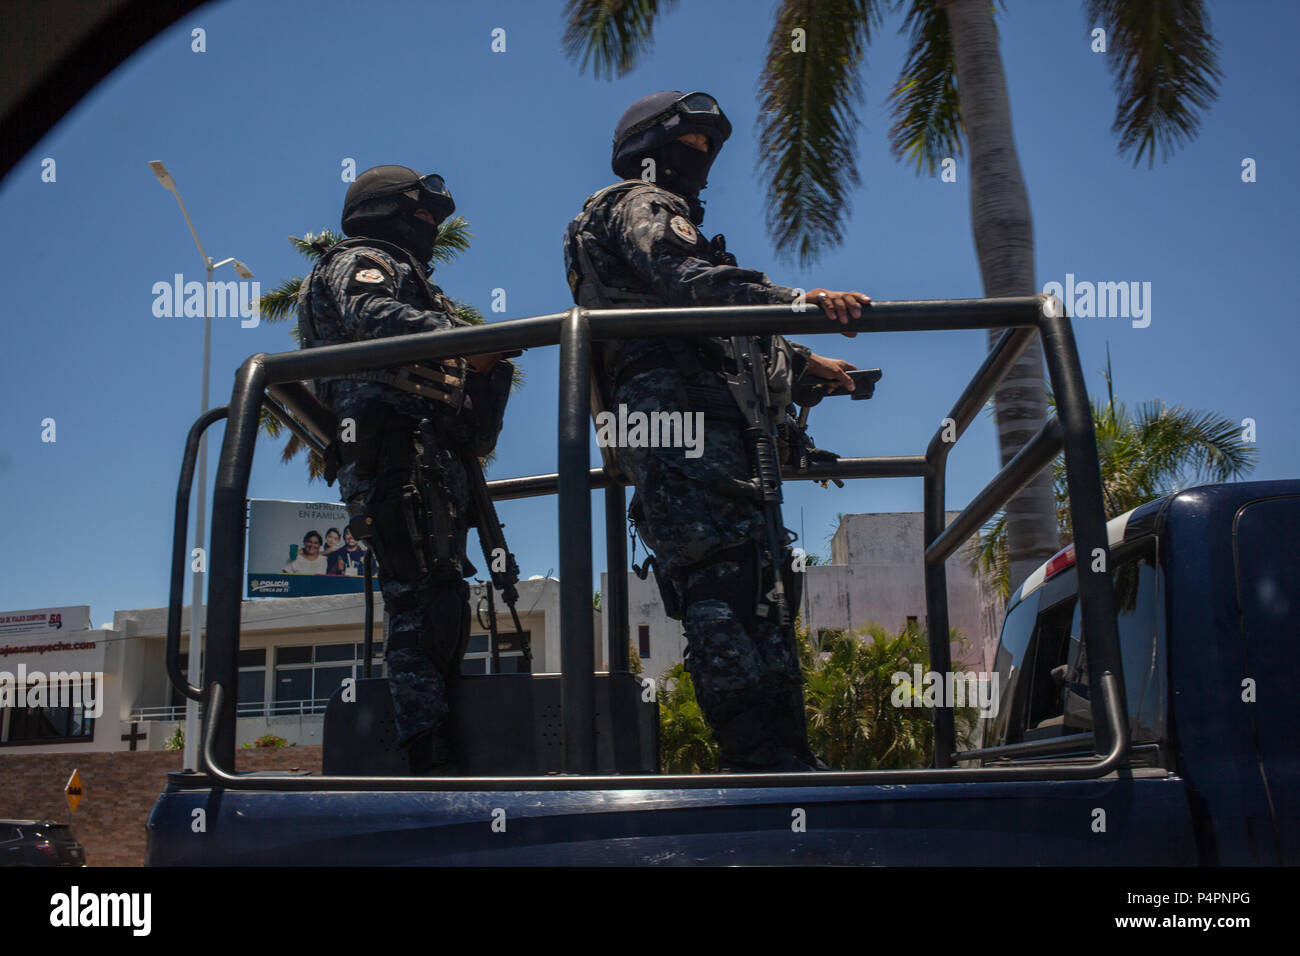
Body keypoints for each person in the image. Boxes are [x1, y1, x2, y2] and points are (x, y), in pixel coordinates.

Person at [564, 90, 869, 771]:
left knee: (760, 586)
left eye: (710, 148)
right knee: (721, 589)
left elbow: (706, 322)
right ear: (649, 150)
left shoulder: (653, 211)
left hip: (709, 421)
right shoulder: (638, 203)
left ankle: (786, 759)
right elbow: (693, 285)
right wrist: (799, 300)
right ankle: (755, 761)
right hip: (677, 423)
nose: (701, 159)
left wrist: (801, 359)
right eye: (691, 144)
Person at [297, 164, 510, 774]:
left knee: (442, 603)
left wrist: (487, 369)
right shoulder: (359, 260)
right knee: (419, 605)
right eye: (417, 214)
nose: (427, 228)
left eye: (432, 220)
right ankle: (428, 756)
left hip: (432, 461)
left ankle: (441, 743)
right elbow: (369, 314)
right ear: (380, 211)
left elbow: (470, 409)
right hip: (389, 457)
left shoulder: (423, 286)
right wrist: (460, 338)